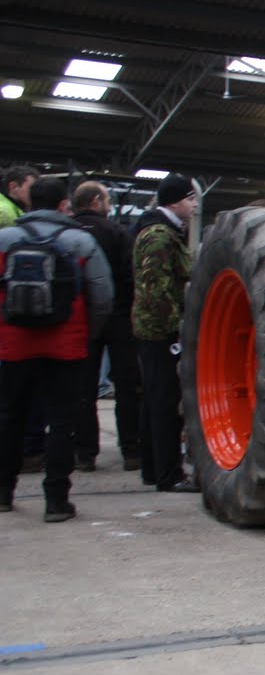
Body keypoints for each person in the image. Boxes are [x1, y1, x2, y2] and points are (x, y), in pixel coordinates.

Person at [0, 180, 113, 521]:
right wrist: (87, 335)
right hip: (66, 346)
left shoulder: (5, 239)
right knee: (62, 422)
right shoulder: (81, 241)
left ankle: (4, 493)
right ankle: (56, 501)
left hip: (13, 344)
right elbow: (103, 296)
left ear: (30, 202)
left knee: (8, 418)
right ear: (64, 205)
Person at [132, 173, 198, 493]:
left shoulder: (164, 231)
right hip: (159, 333)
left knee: (154, 401)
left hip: (153, 329)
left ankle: (152, 468)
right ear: (174, 201)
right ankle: (168, 474)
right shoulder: (160, 236)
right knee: (164, 402)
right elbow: (156, 290)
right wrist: (175, 329)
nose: (194, 205)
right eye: (190, 199)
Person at [72, 181, 142, 472]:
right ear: (97, 201)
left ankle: (85, 454)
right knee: (127, 386)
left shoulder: (69, 232)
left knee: (82, 388)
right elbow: (131, 274)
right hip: (118, 318)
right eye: (107, 199)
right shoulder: (117, 232)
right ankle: (131, 451)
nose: (110, 205)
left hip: (80, 320)